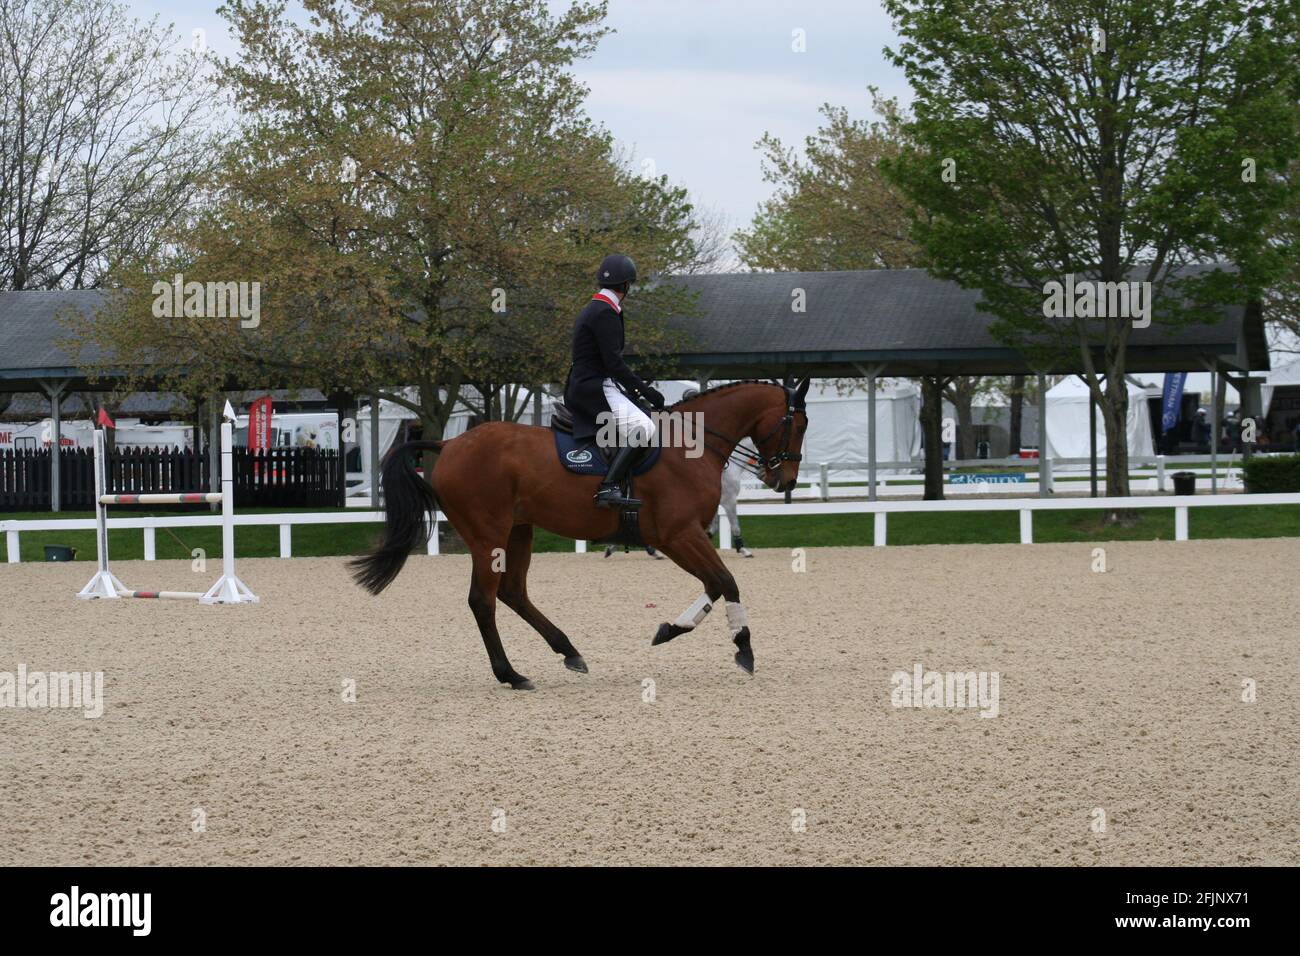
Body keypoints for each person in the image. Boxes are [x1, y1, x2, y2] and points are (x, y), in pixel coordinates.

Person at [563, 254, 665, 509]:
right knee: (645, 428)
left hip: (588, 382)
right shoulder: (605, 312)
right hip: (593, 387)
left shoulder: (596, 307)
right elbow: (614, 363)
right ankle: (608, 487)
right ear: (626, 286)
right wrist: (645, 390)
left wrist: (633, 390)